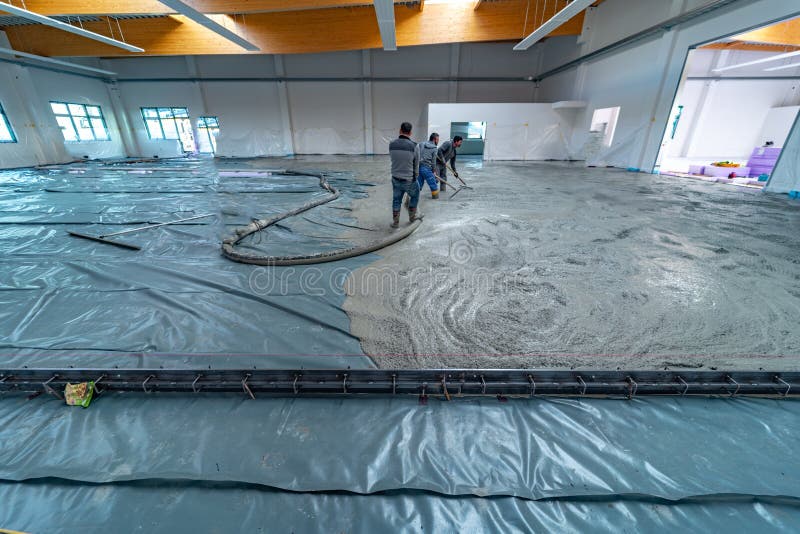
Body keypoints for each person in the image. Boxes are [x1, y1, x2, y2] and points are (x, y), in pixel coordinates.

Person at [389, 122, 421, 228]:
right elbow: (416, 166)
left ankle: (395, 223)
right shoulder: (415, 146)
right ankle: (412, 217)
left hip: (395, 178)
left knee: (396, 199)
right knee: (415, 195)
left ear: (400, 130)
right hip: (408, 179)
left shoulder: (392, 144)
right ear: (410, 132)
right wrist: (415, 178)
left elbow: (393, 159)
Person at [417, 133, 440, 199]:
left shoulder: (421, 144)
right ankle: (435, 200)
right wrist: (434, 171)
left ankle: (412, 199)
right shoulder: (435, 148)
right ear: (434, 139)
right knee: (433, 185)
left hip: (418, 168)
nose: (438, 141)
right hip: (427, 168)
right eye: (438, 140)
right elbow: (433, 162)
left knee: (418, 185)